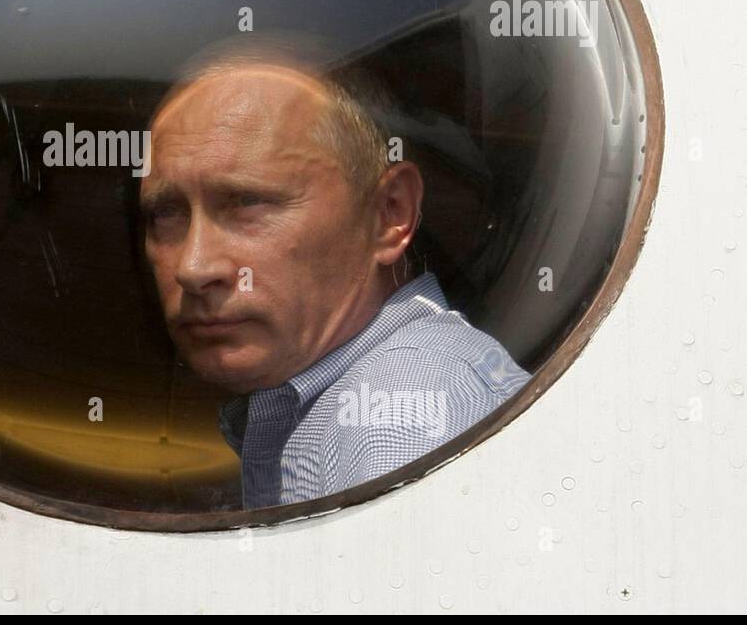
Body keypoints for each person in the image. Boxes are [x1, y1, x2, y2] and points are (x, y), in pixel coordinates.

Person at [139, 37, 528, 507]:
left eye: (247, 202)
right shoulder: (353, 401)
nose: (193, 267)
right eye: (165, 214)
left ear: (390, 213)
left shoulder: (392, 419)